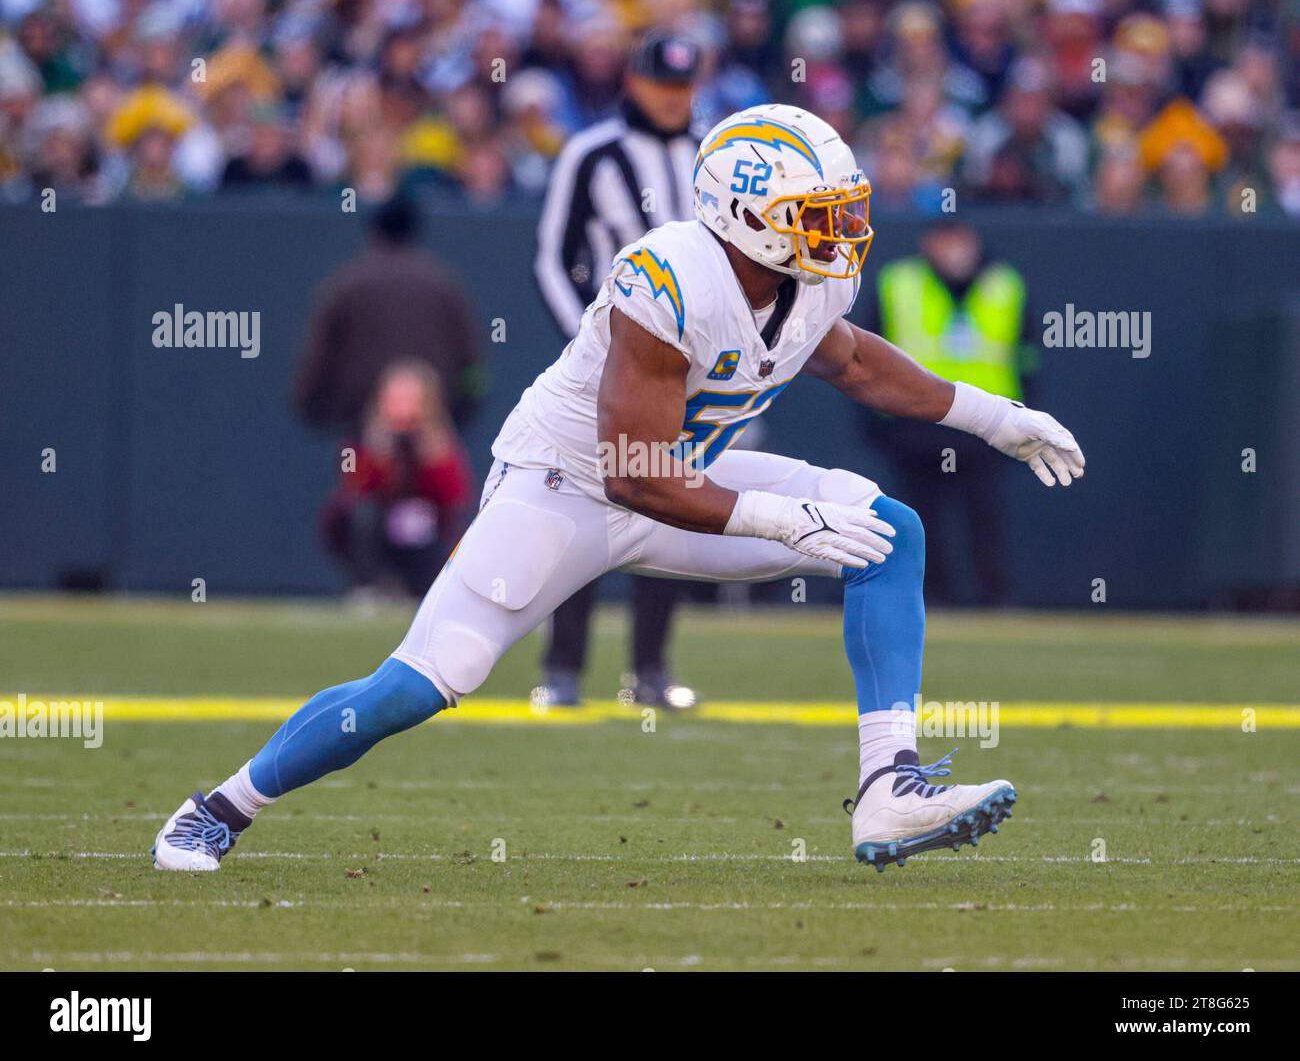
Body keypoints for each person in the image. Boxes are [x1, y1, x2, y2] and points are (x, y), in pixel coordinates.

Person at [152, 104, 1085, 876]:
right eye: (818, 211)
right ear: (749, 215)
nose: (841, 229)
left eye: (842, 208)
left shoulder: (807, 283)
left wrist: (989, 415)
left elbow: (850, 362)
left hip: (686, 473)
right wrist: (776, 518)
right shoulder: (669, 276)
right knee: (417, 685)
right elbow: (635, 473)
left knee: (889, 531)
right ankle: (218, 807)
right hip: (565, 489)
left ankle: (889, 789)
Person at [533, 30, 704, 708]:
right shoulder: (592, 154)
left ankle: (650, 671)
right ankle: (562, 669)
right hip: (606, 364)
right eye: (663, 86)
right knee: (582, 512)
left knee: (669, 514)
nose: (673, 101)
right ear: (634, 83)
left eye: (683, 88)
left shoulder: (712, 157)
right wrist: (592, 341)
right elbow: (553, 257)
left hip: (689, 372)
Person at [868, 221, 1037, 605]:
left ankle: (994, 599)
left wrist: (1024, 419)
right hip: (918, 424)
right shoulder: (898, 281)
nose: (953, 249)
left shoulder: (1005, 284)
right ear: (927, 242)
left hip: (987, 427)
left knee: (986, 516)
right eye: (945, 239)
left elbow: (1027, 359)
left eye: (960, 238)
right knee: (919, 519)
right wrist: (882, 425)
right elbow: (866, 357)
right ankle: (931, 597)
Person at [295, 192, 483, 435]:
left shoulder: (345, 285)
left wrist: (313, 406)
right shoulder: (445, 286)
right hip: (431, 430)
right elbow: (472, 366)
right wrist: (460, 412)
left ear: (373, 231)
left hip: (361, 427)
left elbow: (319, 359)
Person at [320, 360, 473, 599]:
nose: (403, 409)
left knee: (420, 522)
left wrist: (428, 454)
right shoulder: (363, 441)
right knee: (364, 514)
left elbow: (453, 500)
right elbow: (350, 494)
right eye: (395, 400)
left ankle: (422, 587)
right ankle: (367, 586)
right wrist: (381, 455)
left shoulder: (440, 444)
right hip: (377, 533)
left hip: (421, 542)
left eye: (411, 401)